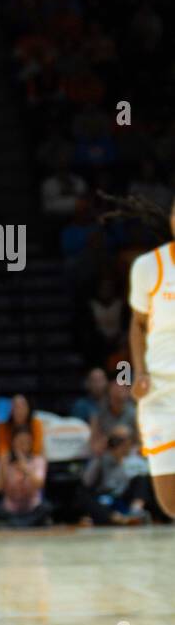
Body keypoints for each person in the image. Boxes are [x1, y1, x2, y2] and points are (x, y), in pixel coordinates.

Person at [128, 217, 175, 517]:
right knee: (170, 503)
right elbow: (138, 323)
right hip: (159, 393)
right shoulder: (149, 265)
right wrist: (139, 372)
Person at [77, 424, 150, 525]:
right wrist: (98, 458)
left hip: (123, 496)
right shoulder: (102, 459)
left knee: (141, 479)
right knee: (83, 495)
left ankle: (135, 511)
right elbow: (87, 482)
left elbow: (140, 476)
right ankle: (115, 518)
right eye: (126, 445)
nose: (128, 447)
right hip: (104, 497)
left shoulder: (132, 458)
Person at [0, 426, 50, 526]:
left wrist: (25, 468)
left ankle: (19, 523)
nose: (23, 445)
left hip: (32, 507)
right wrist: (3, 467)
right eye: (20, 442)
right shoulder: (3, 460)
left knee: (46, 508)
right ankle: (17, 522)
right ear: (13, 443)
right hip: (9, 508)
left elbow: (40, 484)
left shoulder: (38, 460)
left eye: (26, 442)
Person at [0, 393, 44, 458]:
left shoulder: (36, 424)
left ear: (28, 408)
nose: (19, 409)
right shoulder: (2, 427)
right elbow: (1, 450)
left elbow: (37, 448)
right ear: (10, 409)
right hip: (10, 459)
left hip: (30, 459)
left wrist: (24, 460)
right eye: (16, 406)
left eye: (22, 405)